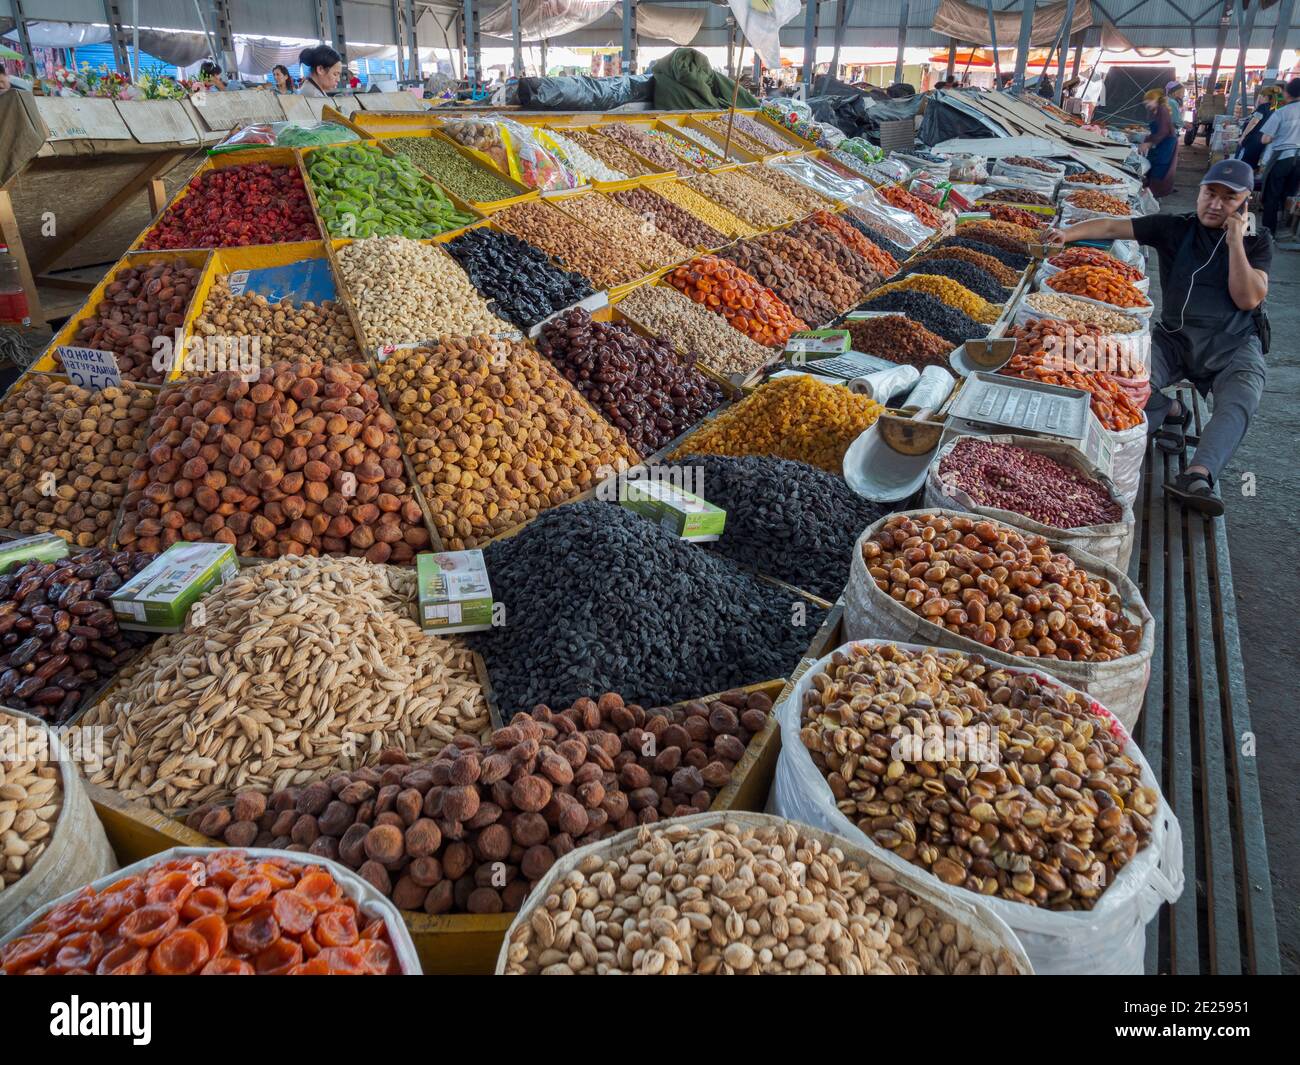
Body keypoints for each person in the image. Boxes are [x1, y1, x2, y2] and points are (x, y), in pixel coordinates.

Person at [1047, 159, 1271, 516]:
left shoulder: (1257, 241)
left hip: (1233, 344)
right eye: (1209, 194)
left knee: (1241, 399)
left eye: (1229, 199)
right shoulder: (1174, 228)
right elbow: (1110, 227)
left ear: (1245, 204)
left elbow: (1248, 297)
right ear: (1199, 193)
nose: (1215, 204)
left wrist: (1235, 243)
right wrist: (1066, 234)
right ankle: (1170, 409)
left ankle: (1198, 475)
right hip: (1174, 340)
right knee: (1118, 384)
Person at [1258, 76, 1300, 235]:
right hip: (1299, 159)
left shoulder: (1281, 113)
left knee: (1272, 195)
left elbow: (1265, 139)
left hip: (1282, 158)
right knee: (1290, 194)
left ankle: (1269, 233)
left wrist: (1281, 136)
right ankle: (1286, 229)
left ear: (1288, 93)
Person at [1141, 89, 1179, 198]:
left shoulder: (1162, 110)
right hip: (1162, 141)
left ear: (1155, 100)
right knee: (1153, 161)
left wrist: (1149, 143)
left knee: (1161, 165)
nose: (1146, 104)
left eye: (1148, 101)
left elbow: (1163, 131)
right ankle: (1151, 187)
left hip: (1166, 142)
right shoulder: (1156, 110)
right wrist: (1148, 139)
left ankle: (1156, 191)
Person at [1236, 86, 1280, 167]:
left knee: (1243, 163)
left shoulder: (1263, 107)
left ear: (1266, 96)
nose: (1259, 99)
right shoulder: (1276, 109)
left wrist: (1243, 136)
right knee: (1253, 164)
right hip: (1262, 140)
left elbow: (1254, 122)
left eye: (1261, 96)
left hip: (1253, 139)